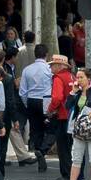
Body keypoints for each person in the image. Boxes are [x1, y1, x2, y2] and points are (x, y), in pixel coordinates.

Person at [20, 43, 53, 173]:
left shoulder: (27, 69)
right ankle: (42, 151)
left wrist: (27, 103)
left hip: (32, 100)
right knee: (50, 127)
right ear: (46, 55)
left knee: (35, 129)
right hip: (45, 99)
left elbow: (23, 91)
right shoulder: (49, 69)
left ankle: (39, 152)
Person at [47, 54, 75, 180]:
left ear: (59, 66)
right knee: (72, 147)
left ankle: (66, 175)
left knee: (63, 148)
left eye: (52, 65)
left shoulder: (58, 78)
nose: (51, 68)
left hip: (63, 116)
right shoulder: (72, 77)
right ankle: (75, 175)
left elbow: (57, 98)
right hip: (72, 116)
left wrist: (50, 110)